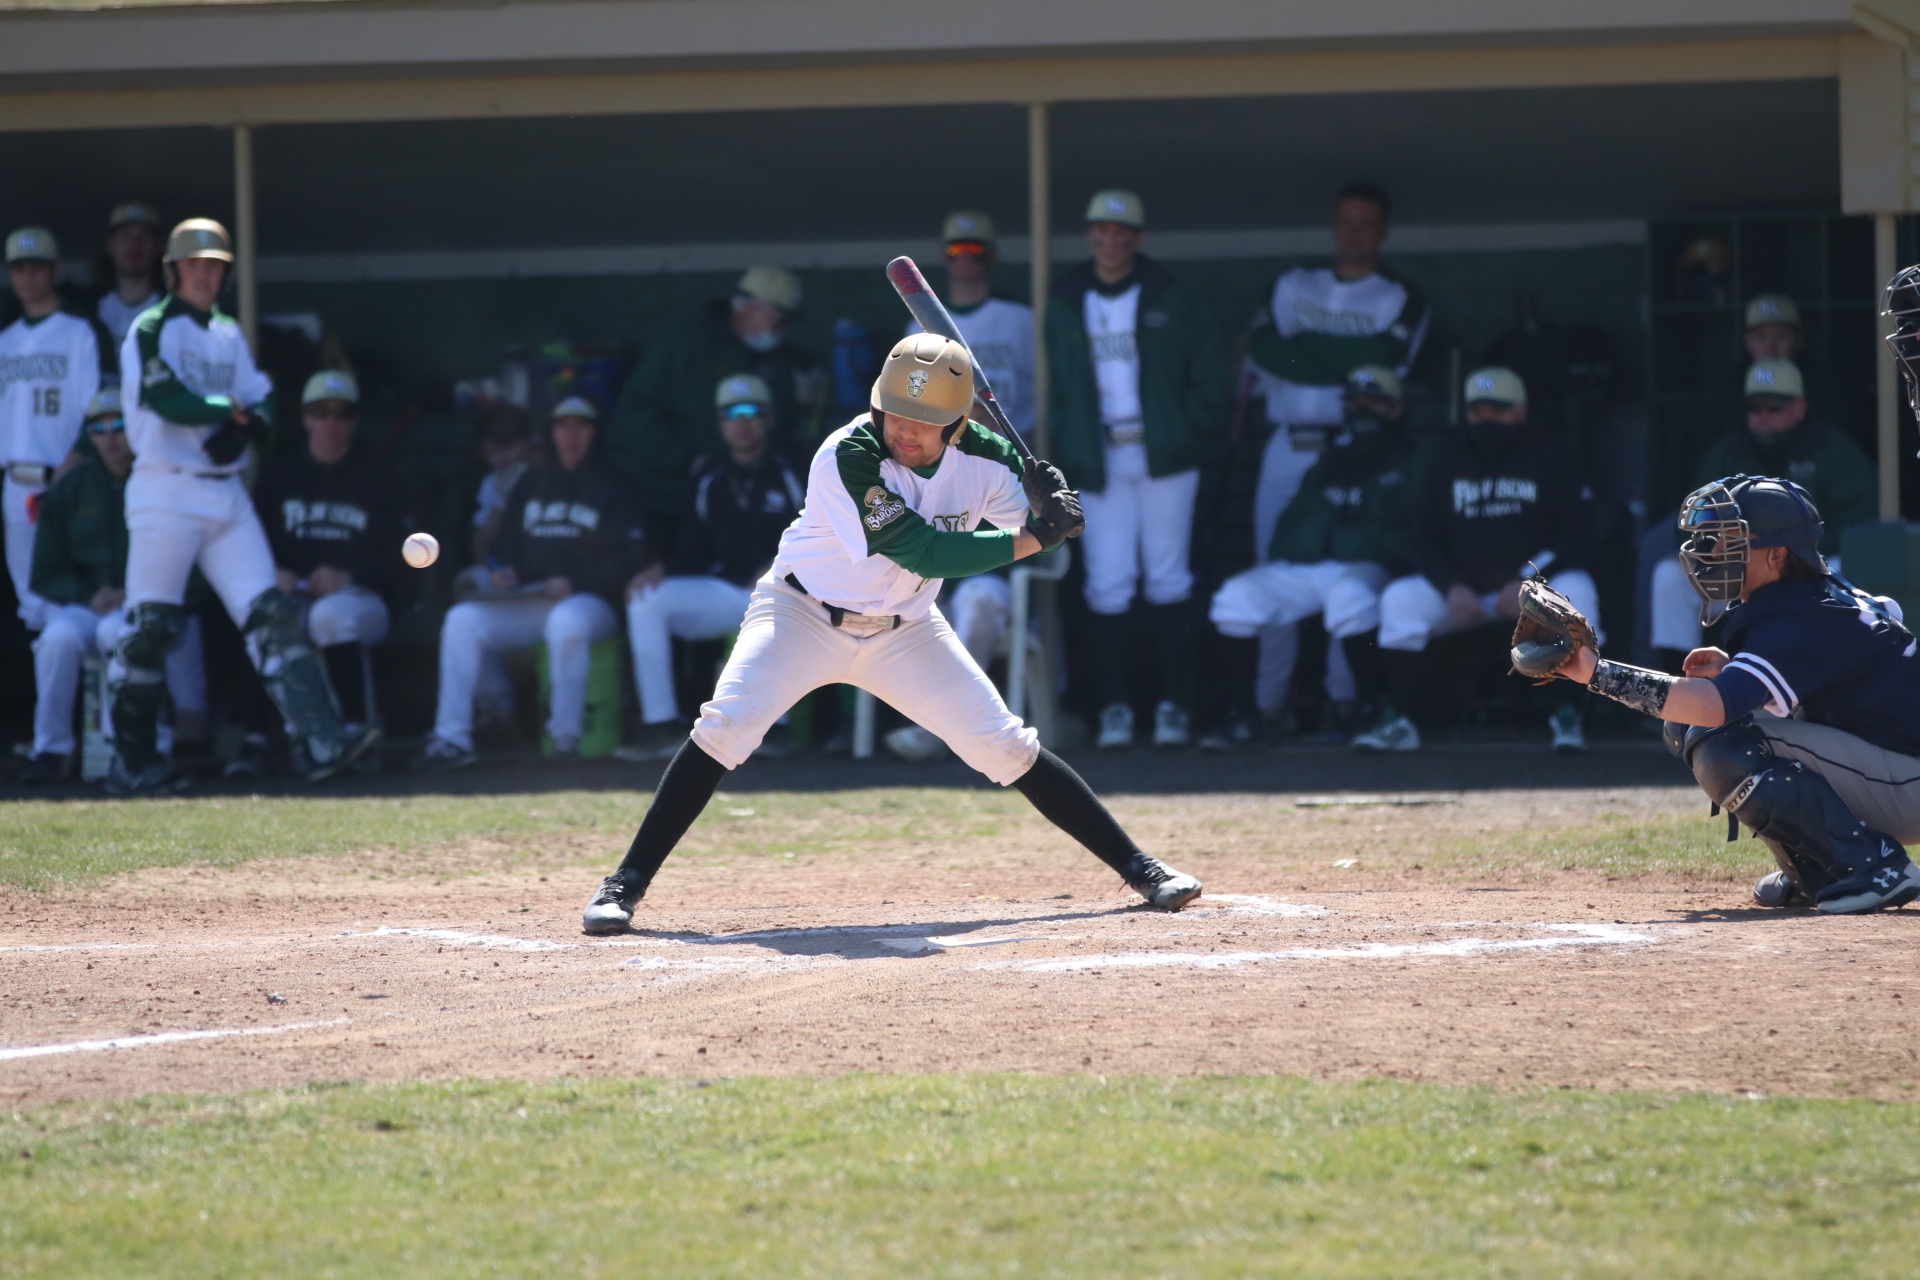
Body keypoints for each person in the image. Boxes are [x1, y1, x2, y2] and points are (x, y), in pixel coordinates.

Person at [579, 333, 1199, 933]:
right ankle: (624, 884)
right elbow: (924, 551)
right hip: (800, 614)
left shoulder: (987, 457)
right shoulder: (847, 454)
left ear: (956, 426)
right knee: (726, 727)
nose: (901, 431)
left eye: (921, 421)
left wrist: (1052, 505)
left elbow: (1036, 516)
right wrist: (1040, 534)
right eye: (893, 413)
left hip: (906, 629)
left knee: (1006, 746)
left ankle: (1140, 868)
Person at [1563, 476, 1920, 913]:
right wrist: (1733, 670)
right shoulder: (1811, 595)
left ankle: (1873, 866)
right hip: (1897, 764)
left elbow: (1713, 709)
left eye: (1732, 541)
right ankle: (1821, 868)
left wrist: (1595, 673)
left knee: (1719, 737)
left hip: (1910, 780)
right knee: (1701, 720)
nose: (1713, 552)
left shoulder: (1800, 617)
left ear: (1776, 554)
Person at [114, 217, 377, 796]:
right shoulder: (151, 327)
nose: (205, 275)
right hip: (166, 487)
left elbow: (261, 399)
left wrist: (247, 424)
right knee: (152, 627)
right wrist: (228, 412)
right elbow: (164, 397)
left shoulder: (228, 333)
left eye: (214, 267)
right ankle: (132, 761)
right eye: (195, 265)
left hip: (224, 489)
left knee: (272, 615)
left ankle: (325, 741)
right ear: (174, 270)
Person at [1046, 189, 1229, 749]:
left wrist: (1183, 430)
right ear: (1090, 236)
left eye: (1120, 232)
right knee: (1108, 581)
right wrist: (1070, 441)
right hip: (1100, 458)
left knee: (1169, 575)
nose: (1109, 241)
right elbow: (1057, 383)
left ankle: (1174, 708)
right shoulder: (1068, 298)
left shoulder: (1171, 296)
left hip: (1163, 455)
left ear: (1137, 238)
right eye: (1099, 231)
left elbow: (1211, 375)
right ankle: (1115, 710)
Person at [1244, 184, 1430, 723]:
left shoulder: (1400, 296)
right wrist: (1340, 358)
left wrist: (1300, 349)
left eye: (1366, 222)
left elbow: (1381, 359)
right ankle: (1266, 701)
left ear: (1384, 230)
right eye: (1345, 221)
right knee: (1273, 567)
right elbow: (1263, 349)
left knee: (1348, 571)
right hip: (1287, 442)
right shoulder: (1293, 283)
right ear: (1333, 226)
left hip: (1354, 447)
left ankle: (1343, 699)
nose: (1354, 232)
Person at [1359, 366, 1600, 754]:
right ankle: (1401, 719)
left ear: (1520, 411)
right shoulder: (1447, 458)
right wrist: (1449, 586)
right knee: (1400, 599)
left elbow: (1580, 534)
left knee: (1579, 592)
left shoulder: (1552, 453)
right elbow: (1420, 537)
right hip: (1464, 591)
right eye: (1478, 411)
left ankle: (1568, 714)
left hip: (1528, 588)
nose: (1486, 419)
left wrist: (1528, 580)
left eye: (1498, 410)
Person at [416, 396, 645, 769]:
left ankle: (565, 738)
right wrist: (501, 570)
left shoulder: (616, 484)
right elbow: (503, 547)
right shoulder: (532, 482)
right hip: (534, 597)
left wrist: (574, 581)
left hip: (592, 603)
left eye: (581, 426)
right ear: (550, 433)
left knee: (566, 620)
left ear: (595, 432)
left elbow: (630, 558)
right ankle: (451, 738)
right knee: (463, 620)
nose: (571, 435)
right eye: (563, 426)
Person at [1203, 366, 1423, 749]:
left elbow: (1408, 537)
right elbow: (1288, 534)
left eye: (1374, 402)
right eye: (1354, 402)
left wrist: (1343, 536)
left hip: (1369, 569)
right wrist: (1334, 534)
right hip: (1311, 566)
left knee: (1349, 598)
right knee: (1234, 597)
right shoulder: (1329, 462)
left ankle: (1370, 709)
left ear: (1395, 409)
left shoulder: (1412, 462)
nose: (1362, 410)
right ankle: (1244, 717)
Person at [23, 389, 206, 783]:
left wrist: (138, 594)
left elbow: (198, 572)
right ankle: (50, 750)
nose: (110, 436)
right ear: (88, 435)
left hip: (146, 604)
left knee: (119, 634)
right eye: (99, 428)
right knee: (57, 638)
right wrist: (87, 595)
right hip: (88, 603)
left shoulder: (163, 482)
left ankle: (133, 753)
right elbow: (44, 574)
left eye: (119, 425)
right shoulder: (68, 491)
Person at [620, 374, 805, 760]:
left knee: (787, 595)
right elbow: (693, 543)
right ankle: (661, 724)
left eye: (752, 412)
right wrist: (661, 569)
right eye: (731, 414)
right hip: (728, 591)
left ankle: (775, 731)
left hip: (784, 591)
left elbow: (820, 532)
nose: (742, 422)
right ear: (719, 423)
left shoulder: (793, 469)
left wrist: (779, 564)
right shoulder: (710, 475)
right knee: (645, 599)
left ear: (769, 419)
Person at [1647, 359, 1874, 663]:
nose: (1763, 415)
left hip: (1808, 565)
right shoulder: (1725, 456)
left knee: (1846, 568)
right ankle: (1678, 684)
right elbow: (1690, 524)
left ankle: (1835, 675)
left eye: (1774, 406)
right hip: (1741, 565)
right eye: (1755, 407)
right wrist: (1733, 552)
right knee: (1670, 576)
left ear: (1799, 407)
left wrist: (1797, 552)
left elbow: (1863, 522)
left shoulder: (1833, 451)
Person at [251, 370, 402, 747]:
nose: (331, 422)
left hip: (363, 599)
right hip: (294, 594)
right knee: (263, 619)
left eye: (342, 413)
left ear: (356, 420)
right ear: (304, 418)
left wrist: (349, 577)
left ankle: (353, 729)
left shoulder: (381, 475)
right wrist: (274, 572)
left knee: (330, 614)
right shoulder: (278, 473)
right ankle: (258, 738)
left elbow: (411, 556)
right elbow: (248, 545)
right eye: (320, 412)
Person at [607, 265, 826, 521]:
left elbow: (785, 428)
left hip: (758, 504)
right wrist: (686, 461)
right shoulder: (684, 344)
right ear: (747, 309)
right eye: (779, 321)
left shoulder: (779, 360)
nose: (782, 331)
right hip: (676, 501)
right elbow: (634, 412)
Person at [3, 226, 109, 636]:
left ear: (56, 269)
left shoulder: (81, 330)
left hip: (68, 474)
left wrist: (78, 458)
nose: (28, 277)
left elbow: (100, 406)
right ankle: (47, 699)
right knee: (32, 602)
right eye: (19, 268)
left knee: (80, 597)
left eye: (37, 267)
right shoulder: (5, 340)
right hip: (17, 481)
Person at [905, 211, 1035, 441]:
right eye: (956, 250)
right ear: (944, 256)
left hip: (1017, 448)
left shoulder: (1021, 319)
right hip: (948, 451)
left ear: (992, 255)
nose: (965, 257)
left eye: (974, 250)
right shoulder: (918, 326)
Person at [94, 203, 165, 346]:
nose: (134, 244)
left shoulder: (170, 311)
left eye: (144, 236)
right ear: (110, 245)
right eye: (125, 235)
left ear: (158, 246)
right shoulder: (89, 309)